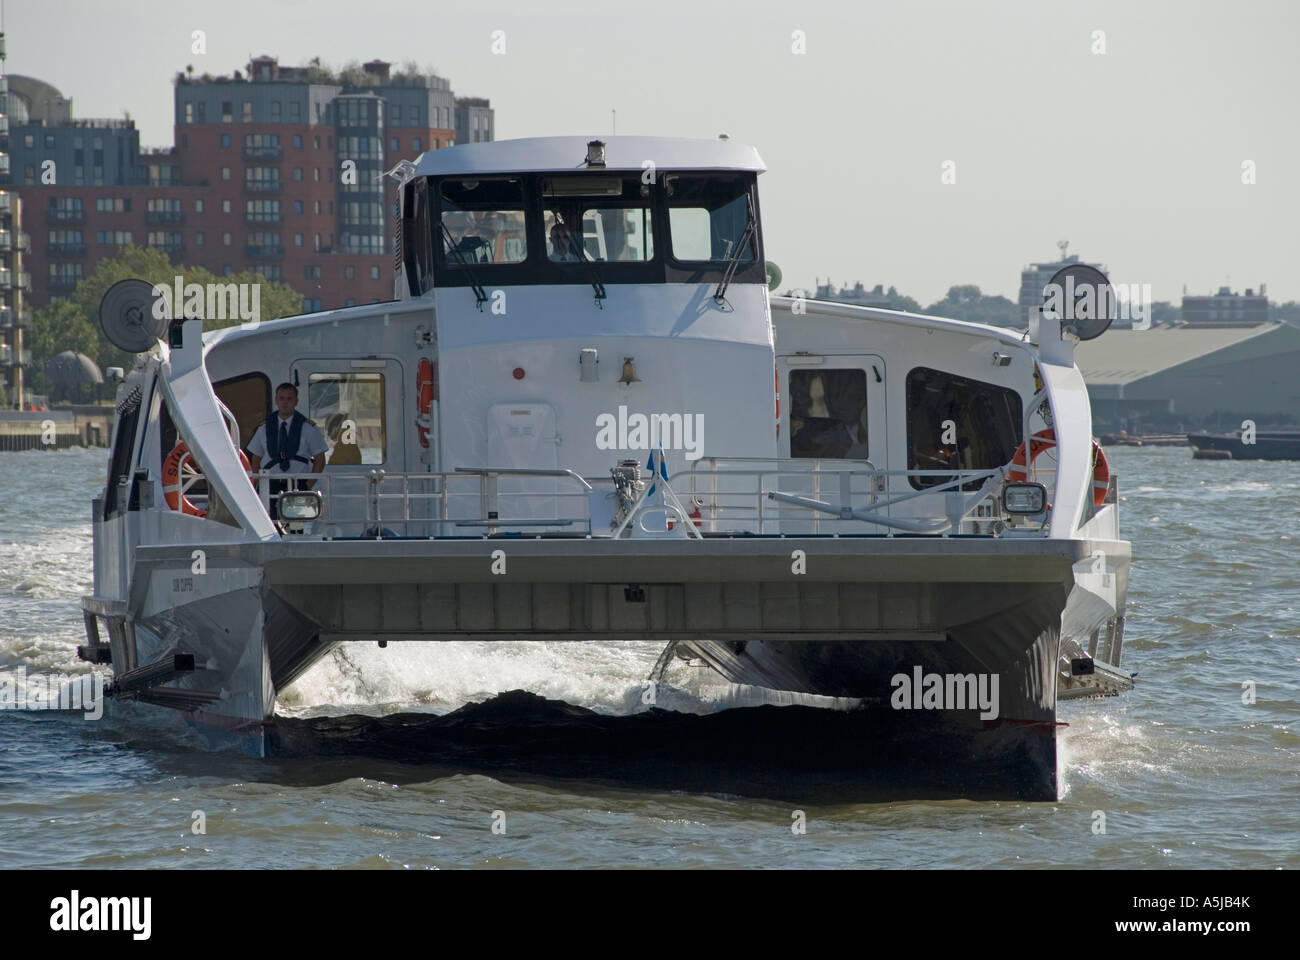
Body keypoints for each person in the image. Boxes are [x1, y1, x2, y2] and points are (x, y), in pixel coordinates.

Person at [246, 383, 327, 517]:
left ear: (296, 401)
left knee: (299, 523)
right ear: (276, 400)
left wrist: (308, 484)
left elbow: (320, 458)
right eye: (282, 398)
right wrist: (260, 481)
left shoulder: (309, 428)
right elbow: (256, 457)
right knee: (271, 523)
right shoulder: (264, 428)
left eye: (289, 399)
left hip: (299, 483)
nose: (285, 402)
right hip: (271, 483)